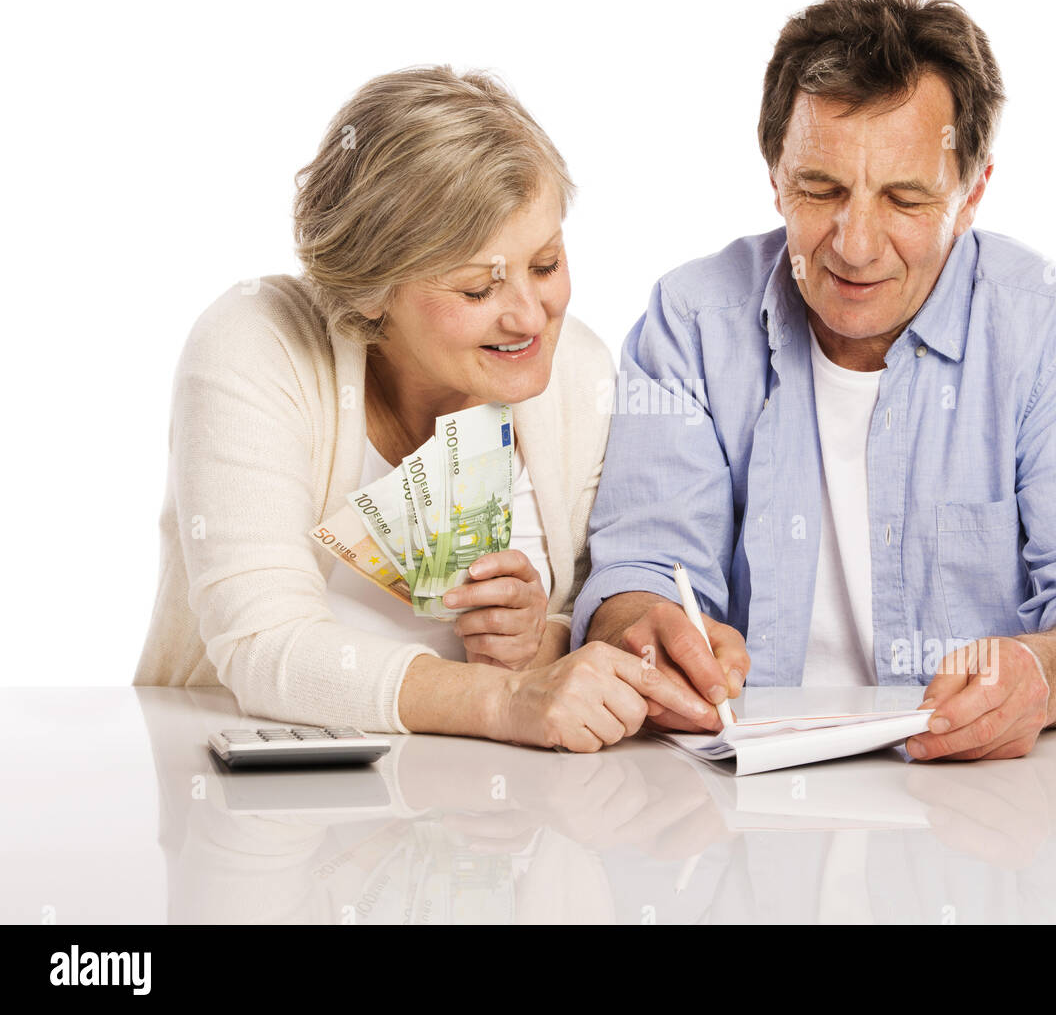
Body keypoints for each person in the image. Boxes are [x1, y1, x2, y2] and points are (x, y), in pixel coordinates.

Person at [573, 0, 1056, 761]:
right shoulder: (691, 323)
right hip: (745, 809)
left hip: (977, 813)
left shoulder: (1055, 335)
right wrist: (644, 625)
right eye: (820, 189)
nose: (856, 246)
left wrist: (1045, 674)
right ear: (775, 179)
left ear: (972, 191)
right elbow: (644, 568)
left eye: (905, 200)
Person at [135, 67, 716, 749]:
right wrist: (501, 700)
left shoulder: (576, 374)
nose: (530, 317)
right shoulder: (255, 342)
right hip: (260, 808)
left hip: (486, 822)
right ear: (372, 288)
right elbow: (264, 644)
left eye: (546, 263)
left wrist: (532, 644)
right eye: (478, 290)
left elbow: (566, 653)